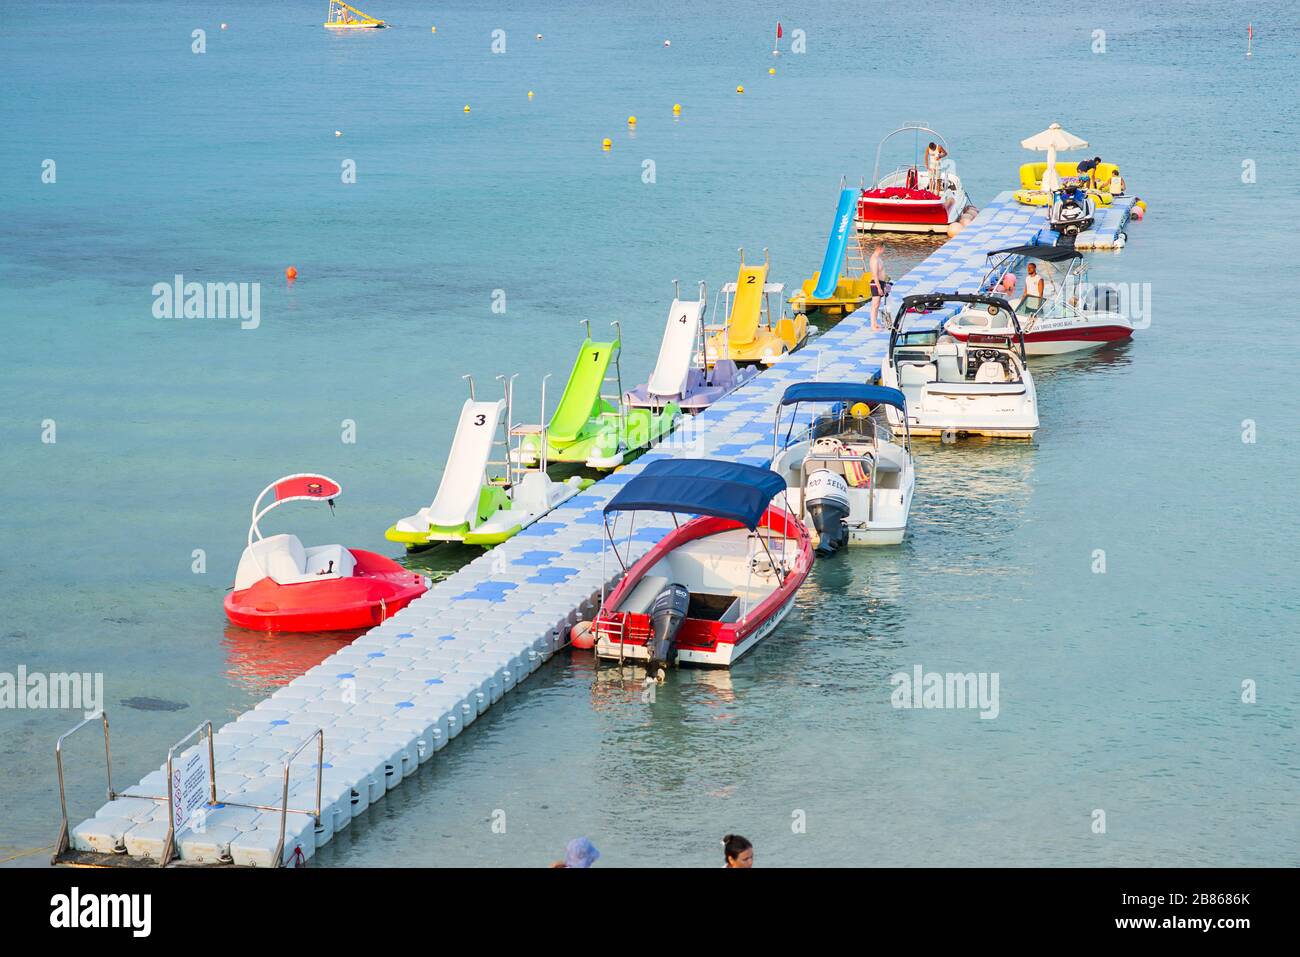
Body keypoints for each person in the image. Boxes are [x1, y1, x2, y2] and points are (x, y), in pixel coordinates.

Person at [868, 244, 888, 332]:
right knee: (875, 304)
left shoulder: (879, 258)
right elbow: (875, 275)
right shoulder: (874, 259)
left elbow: (882, 272)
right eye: (884, 248)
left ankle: (875, 323)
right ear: (880, 248)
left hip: (881, 283)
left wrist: (885, 284)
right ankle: (872, 325)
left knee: (878, 304)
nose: (884, 249)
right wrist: (879, 287)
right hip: (876, 283)